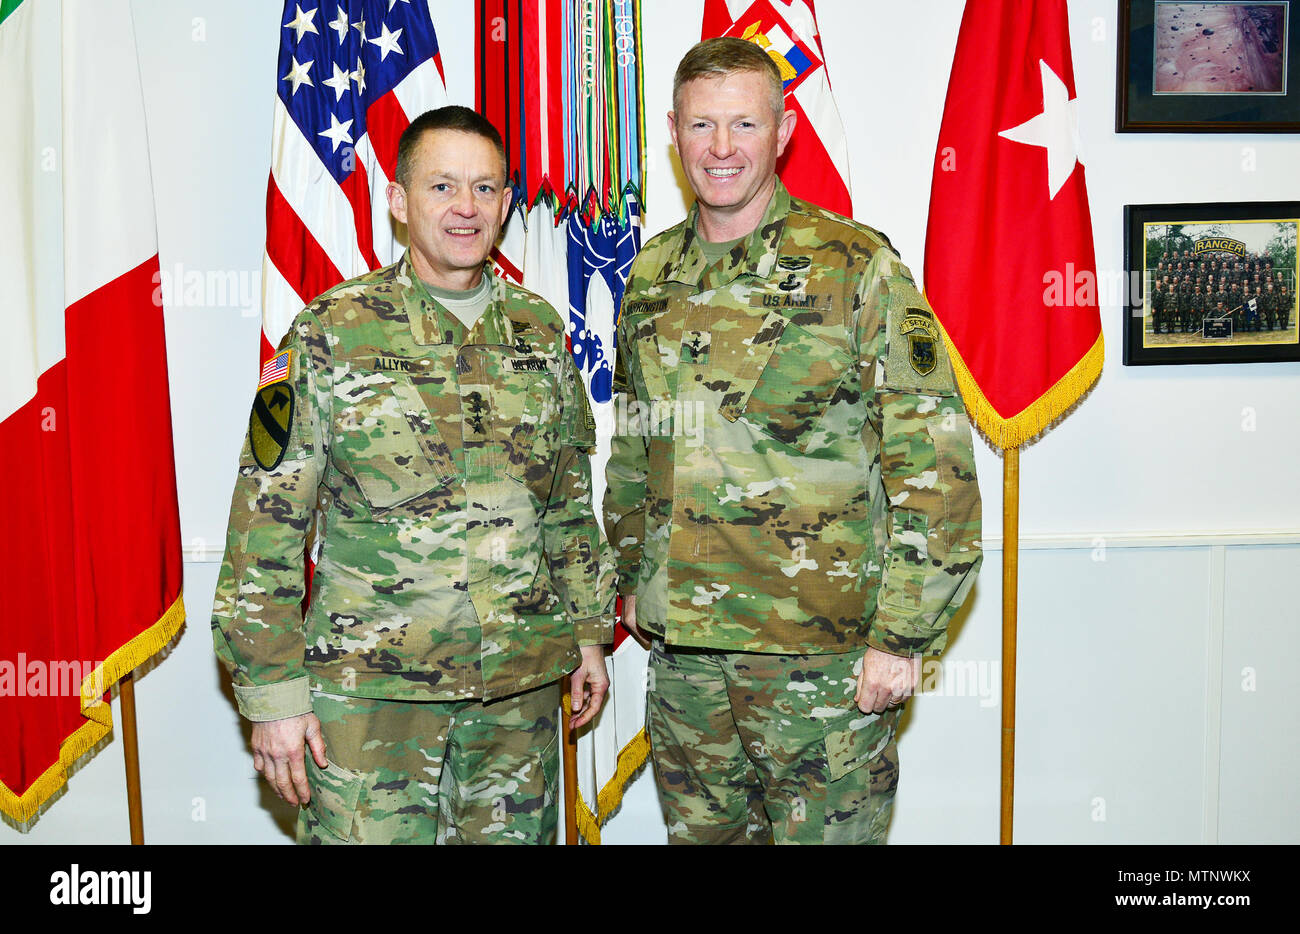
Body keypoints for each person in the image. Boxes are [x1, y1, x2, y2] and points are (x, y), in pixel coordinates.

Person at [603, 38, 983, 845]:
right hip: (687, 662)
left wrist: (903, 637)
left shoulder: (855, 266)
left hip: (821, 658)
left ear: (783, 133)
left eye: (745, 124)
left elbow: (934, 463)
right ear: (672, 131)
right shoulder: (651, 275)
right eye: (702, 125)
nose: (722, 148)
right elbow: (635, 443)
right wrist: (632, 574)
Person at [212, 106, 614, 845]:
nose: (466, 207)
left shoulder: (540, 332)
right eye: (442, 186)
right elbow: (265, 527)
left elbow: (565, 506)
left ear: (505, 203)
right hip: (370, 701)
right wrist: (271, 694)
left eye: (485, 188)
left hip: (517, 695)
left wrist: (588, 632)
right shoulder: (330, 333)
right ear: (398, 201)